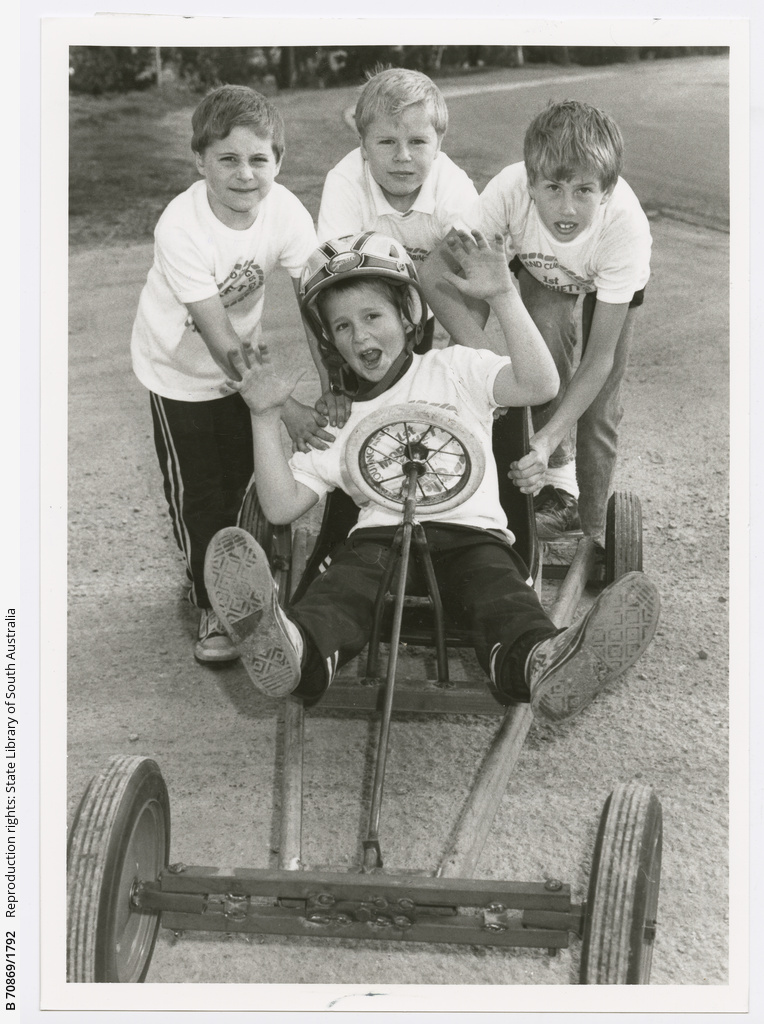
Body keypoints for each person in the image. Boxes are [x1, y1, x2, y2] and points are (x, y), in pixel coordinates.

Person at [203, 231, 660, 721]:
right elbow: (279, 506)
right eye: (341, 327)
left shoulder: (458, 368)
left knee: (499, 598)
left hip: (472, 538)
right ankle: (296, 650)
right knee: (342, 593)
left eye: (372, 316)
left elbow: (540, 384)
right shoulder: (341, 416)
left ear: (407, 316)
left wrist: (505, 294)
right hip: (377, 542)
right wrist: (264, 416)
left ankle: (541, 662)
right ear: (329, 340)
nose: (358, 337)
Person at [131, 84, 325, 664]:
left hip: (243, 366)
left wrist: (334, 386)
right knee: (202, 494)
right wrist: (286, 408)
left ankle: (255, 587)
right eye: (228, 159)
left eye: (259, 160)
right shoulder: (181, 226)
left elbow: (316, 304)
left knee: (251, 480)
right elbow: (217, 338)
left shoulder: (286, 210)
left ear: (278, 163)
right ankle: (212, 602)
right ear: (200, 161)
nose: (246, 175)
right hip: (180, 372)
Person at [419, 99, 652, 544]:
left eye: (583, 191)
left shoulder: (626, 227)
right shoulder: (509, 189)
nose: (566, 209)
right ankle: (558, 490)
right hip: (543, 270)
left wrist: (543, 439)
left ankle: (593, 527)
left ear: (606, 190)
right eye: (552, 188)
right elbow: (433, 273)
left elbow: (599, 358)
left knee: (599, 402)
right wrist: (486, 359)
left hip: (607, 275)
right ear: (530, 183)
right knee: (543, 355)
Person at [316, 66, 478, 404]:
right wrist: (335, 379)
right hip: (365, 306)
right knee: (371, 397)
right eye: (387, 141)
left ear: (438, 144)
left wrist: (465, 361)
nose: (402, 156)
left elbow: (476, 283)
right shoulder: (345, 183)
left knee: (429, 388)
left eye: (417, 142)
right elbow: (335, 290)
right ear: (363, 144)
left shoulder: (454, 189)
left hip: (429, 300)